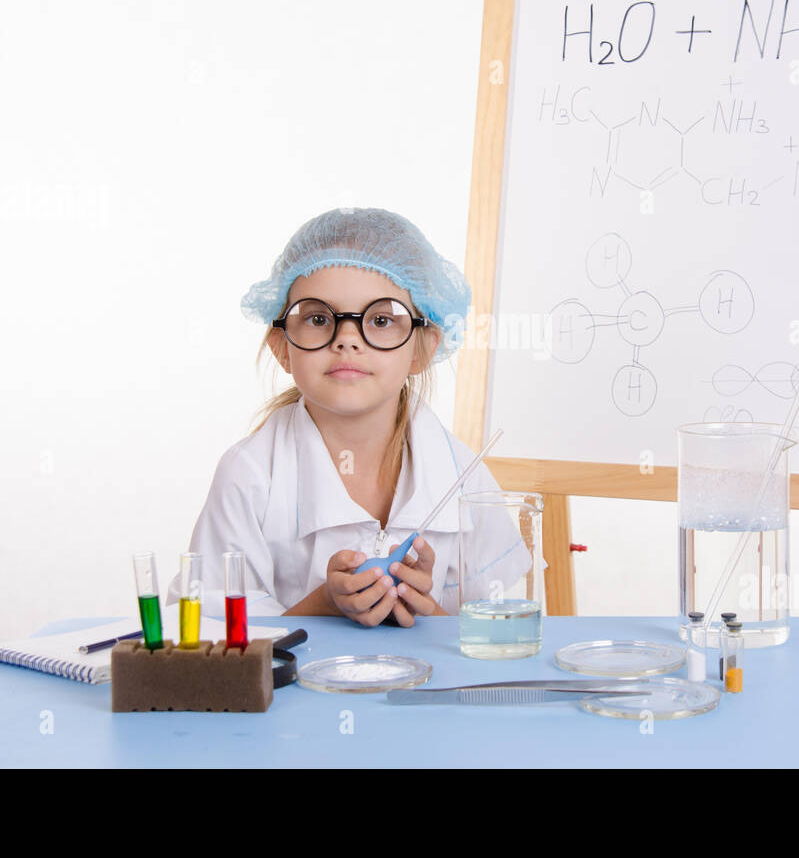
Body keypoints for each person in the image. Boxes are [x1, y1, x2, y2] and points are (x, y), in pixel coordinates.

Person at [166, 206, 528, 627]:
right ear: (282, 346)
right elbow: (208, 635)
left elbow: (498, 633)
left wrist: (431, 616)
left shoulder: (464, 476)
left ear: (424, 347)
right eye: (319, 318)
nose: (348, 339)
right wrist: (322, 606)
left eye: (381, 319)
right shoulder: (249, 476)